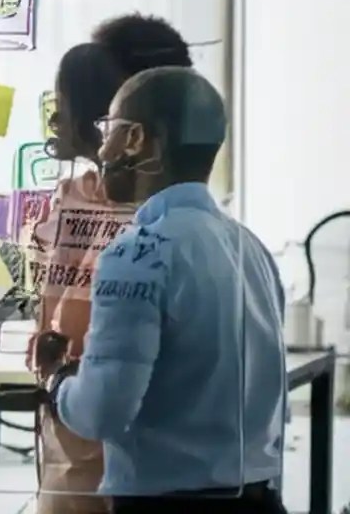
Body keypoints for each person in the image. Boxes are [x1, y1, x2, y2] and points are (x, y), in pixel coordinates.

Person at [40, 66, 287, 514]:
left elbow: (101, 413)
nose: (102, 147)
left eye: (110, 130)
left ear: (137, 140)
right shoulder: (253, 250)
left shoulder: (137, 254)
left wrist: (57, 379)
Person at [24, 14, 194, 514]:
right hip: (66, 453)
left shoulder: (155, 222)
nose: (56, 118)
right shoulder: (72, 199)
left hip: (121, 468)